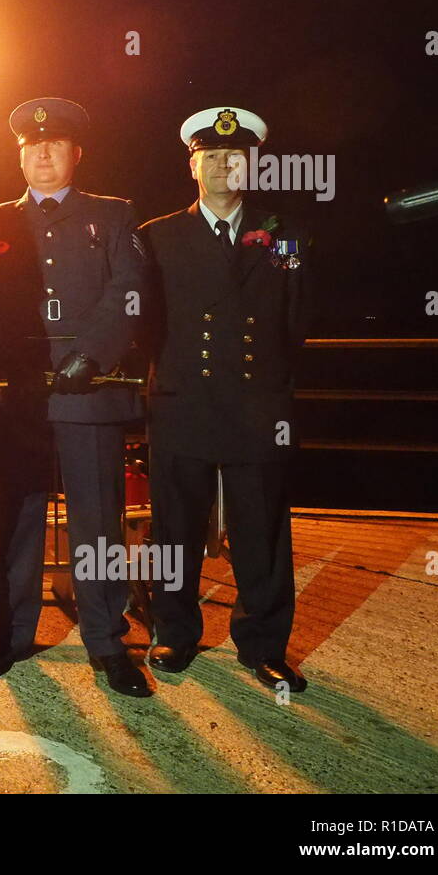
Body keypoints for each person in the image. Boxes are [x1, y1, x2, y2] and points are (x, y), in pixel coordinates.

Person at [0, 98, 150, 698]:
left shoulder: (114, 215)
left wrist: (91, 356)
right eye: (31, 146)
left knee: (97, 521)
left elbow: (129, 291)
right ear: (20, 155)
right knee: (16, 519)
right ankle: (12, 633)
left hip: (89, 387)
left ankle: (106, 638)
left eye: (54, 145)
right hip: (18, 393)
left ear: (76, 154)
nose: (42, 153)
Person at [139, 106, 311, 693]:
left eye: (235, 156)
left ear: (253, 164)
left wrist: (281, 392)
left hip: (256, 406)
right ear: (193, 165)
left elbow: (295, 316)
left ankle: (263, 645)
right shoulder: (157, 236)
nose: (223, 165)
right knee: (175, 528)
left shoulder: (283, 232)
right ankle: (175, 632)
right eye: (211, 156)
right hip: (183, 400)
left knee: (260, 530)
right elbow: (144, 325)